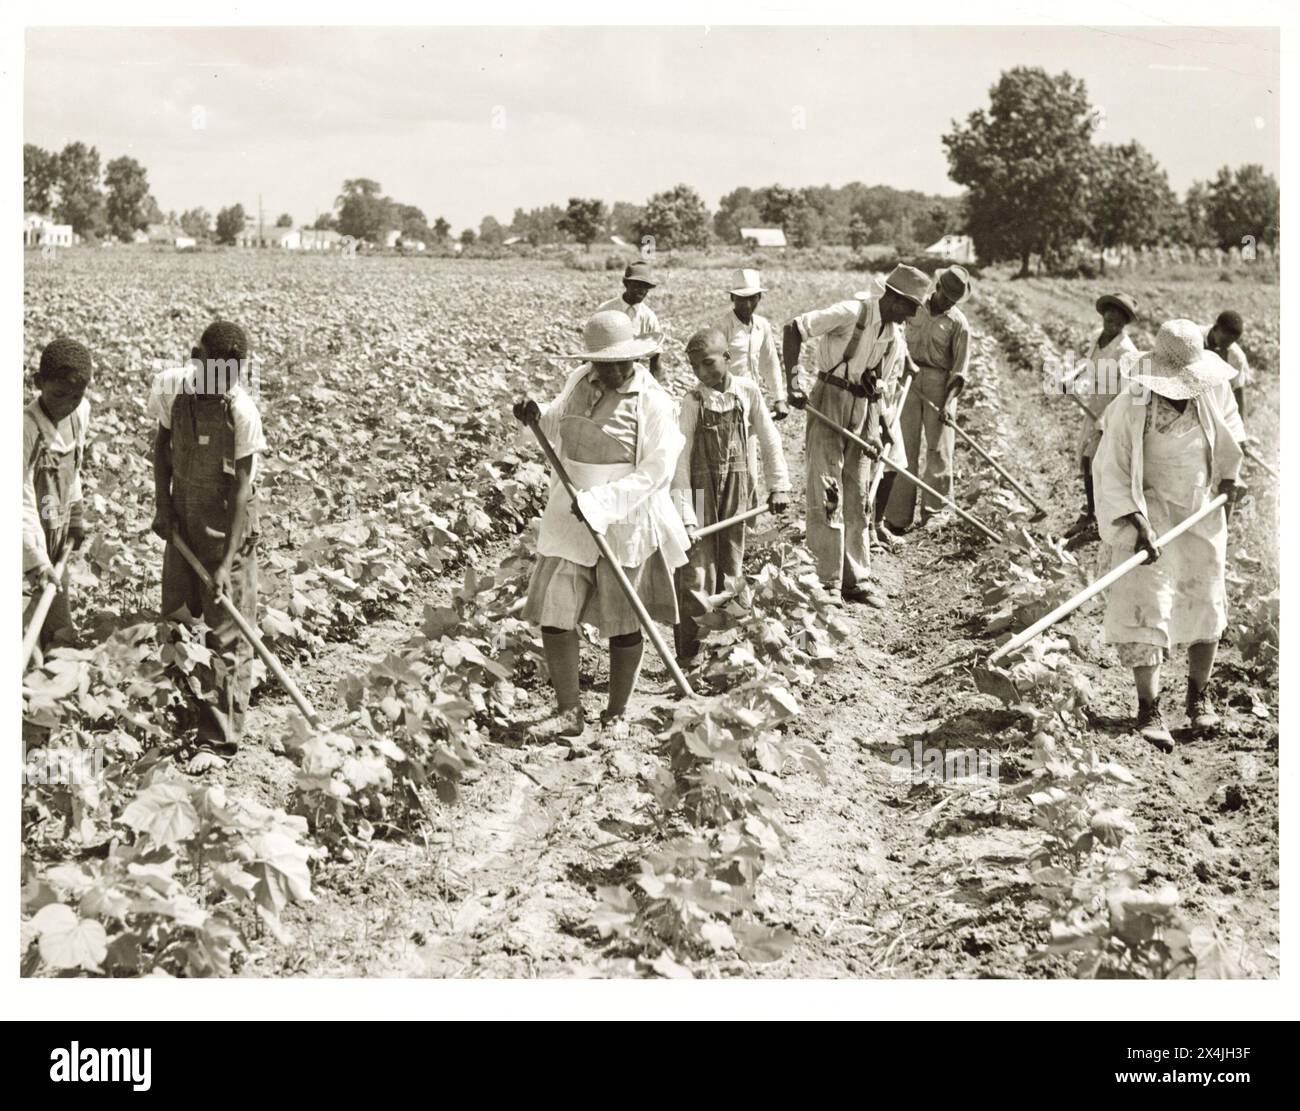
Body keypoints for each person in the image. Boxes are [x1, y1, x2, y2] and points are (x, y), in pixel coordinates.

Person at [513, 310, 688, 741]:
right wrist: (533, 415)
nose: (611, 371)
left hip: (625, 517)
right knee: (556, 613)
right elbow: (556, 423)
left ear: (634, 358)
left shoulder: (653, 401)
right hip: (570, 516)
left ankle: (617, 712)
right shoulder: (578, 379)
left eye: (619, 363)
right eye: (602, 363)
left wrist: (602, 503)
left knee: (623, 619)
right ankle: (568, 710)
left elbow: (656, 472)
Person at [1093, 319, 1244, 752]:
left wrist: (1231, 482)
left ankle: (1199, 699)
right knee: (1147, 602)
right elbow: (1112, 468)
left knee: (1203, 599)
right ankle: (1149, 708)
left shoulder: (1212, 391)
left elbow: (1233, 436)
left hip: (1200, 509)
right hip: (1150, 510)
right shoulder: (1132, 403)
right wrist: (1137, 522)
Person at [149, 321, 267, 771]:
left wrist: (225, 561)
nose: (224, 385)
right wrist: (163, 507)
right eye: (215, 374)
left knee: (228, 633)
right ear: (195, 357)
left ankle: (218, 740)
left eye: (232, 377)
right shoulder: (171, 388)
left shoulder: (241, 411)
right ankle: (181, 711)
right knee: (177, 616)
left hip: (227, 527)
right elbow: (161, 448)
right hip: (182, 519)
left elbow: (241, 487)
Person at [783, 264, 930, 607]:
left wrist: (877, 430)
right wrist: (792, 381)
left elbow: (878, 387)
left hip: (864, 409)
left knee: (859, 494)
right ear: (894, 299)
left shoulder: (894, 336)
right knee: (828, 490)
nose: (911, 315)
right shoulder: (851, 312)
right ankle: (826, 580)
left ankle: (856, 579)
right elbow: (794, 329)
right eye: (910, 306)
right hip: (830, 399)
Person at [671, 327, 791, 663]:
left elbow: (769, 440)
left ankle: (727, 648)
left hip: (737, 488)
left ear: (727, 358)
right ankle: (689, 654)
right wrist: (686, 516)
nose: (702, 373)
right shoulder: (693, 402)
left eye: (708, 364)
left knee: (732, 570)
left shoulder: (747, 393)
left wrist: (777, 485)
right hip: (697, 493)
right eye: (695, 367)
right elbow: (680, 461)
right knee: (695, 573)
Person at [883, 264, 972, 534]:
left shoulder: (958, 324)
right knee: (902, 446)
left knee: (938, 450)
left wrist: (948, 403)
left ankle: (937, 511)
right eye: (945, 295)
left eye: (953, 300)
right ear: (938, 288)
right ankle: (897, 515)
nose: (947, 302)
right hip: (907, 380)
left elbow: (960, 370)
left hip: (939, 386)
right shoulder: (914, 308)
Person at [23, 338, 93, 667]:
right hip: (23, 547)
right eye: (58, 395)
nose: (67, 404)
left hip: (56, 539)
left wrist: (76, 516)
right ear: (38, 384)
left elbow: (74, 469)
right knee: (24, 637)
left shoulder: (80, 415)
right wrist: (35, 561)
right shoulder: (23, 429)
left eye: (76, 396)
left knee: (59, 631)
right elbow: (16, 501)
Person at [1063, 293, 1139, 545]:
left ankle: (1100, 519)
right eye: (1110, 316)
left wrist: (1106, 419)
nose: (1113, 322)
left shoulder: (1127, 351)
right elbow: (1086, 364)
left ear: (1125, 323)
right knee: (1086, 462)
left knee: (1098, 464)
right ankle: (1092, 513)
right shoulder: (1098, 337)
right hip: (1094, 406)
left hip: (1113, 412)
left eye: (1119, 319)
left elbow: (1127, 392)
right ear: (1104, 315)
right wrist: (1070, 378)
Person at [719, 269, 787, 418]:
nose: (748, 304)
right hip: (727, 399)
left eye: (752, 298)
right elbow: (714, 368)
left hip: (753, 396)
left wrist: (779, 398)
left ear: (759, 297)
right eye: (742, 299)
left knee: (763, 440)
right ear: (732, 298)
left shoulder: (762, 325)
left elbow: (770, 361)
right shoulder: (723, 327)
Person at [598, 259, 664, 381]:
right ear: (626, 284)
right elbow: (592, 348)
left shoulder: (649, 317)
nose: (642, 291)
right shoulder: (605, 310)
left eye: (646, 287)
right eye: (637, 285)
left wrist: (657, 388)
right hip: (603, 372)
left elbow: (655, 359)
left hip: (631, 374)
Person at [1202, 310, 1251, 422]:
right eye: (1224, 340)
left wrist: (1241, 427)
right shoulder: (1194, 337)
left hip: (1215, 401)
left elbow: (1239, 392)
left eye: (1231, 342)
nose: (1226, 346)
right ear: (1215, 328)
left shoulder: (1236, 356)